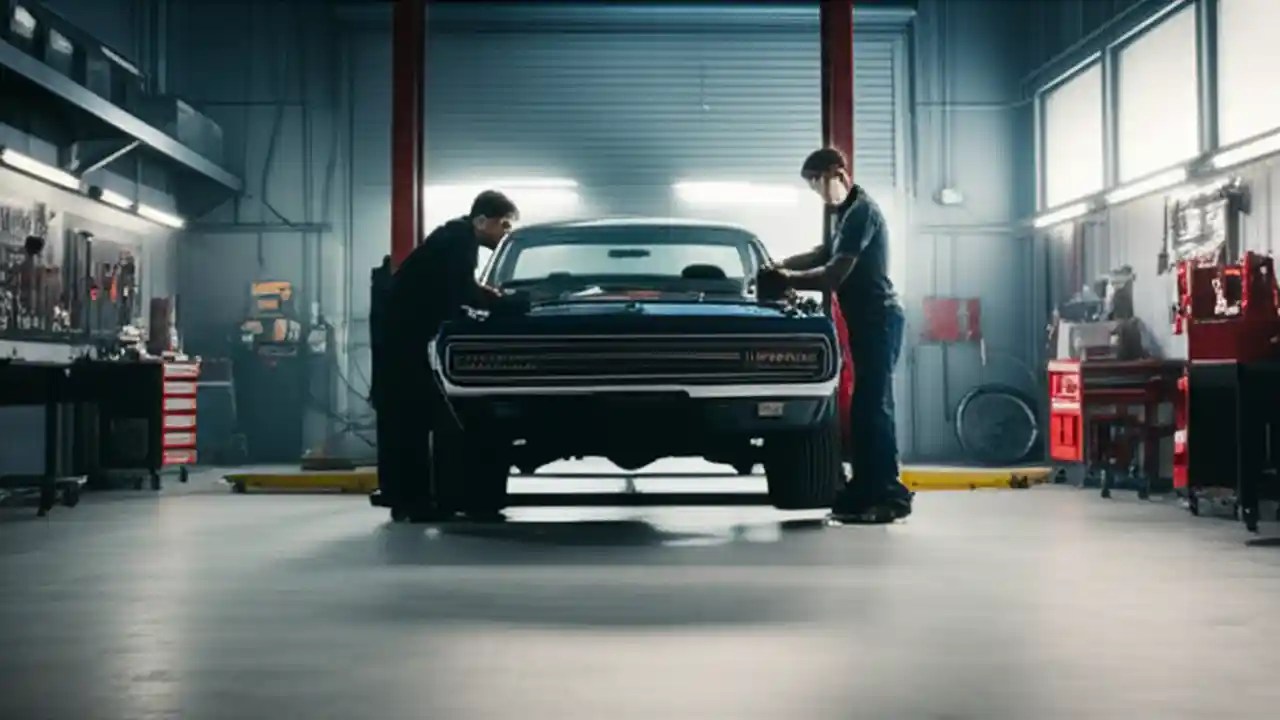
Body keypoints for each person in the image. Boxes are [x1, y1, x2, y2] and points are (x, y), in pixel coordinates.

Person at [760, 148, 912, 523]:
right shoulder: (845, 213)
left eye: (817, 182)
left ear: (837, 173)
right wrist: (779, 264)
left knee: (874, 407)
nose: (817, 190)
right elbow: (824, 252)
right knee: (864, 408)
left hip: (879, 317)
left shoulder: (863, 212)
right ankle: (864, 491)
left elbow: (833, 275)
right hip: (866, 319)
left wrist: (786, 280)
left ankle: (889, 496)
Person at [375, 189, 519, 521]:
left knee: (408, 420)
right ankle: (416, 503)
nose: (505, 233)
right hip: (406, 341)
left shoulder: (451, 238)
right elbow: (460, 290)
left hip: (401, 337)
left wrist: (483, 295)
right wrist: (496, 302)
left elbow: (457, 285)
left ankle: (409, 501)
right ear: (482, 221)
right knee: (418, 419)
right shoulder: (460, 242)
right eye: (504, 225)